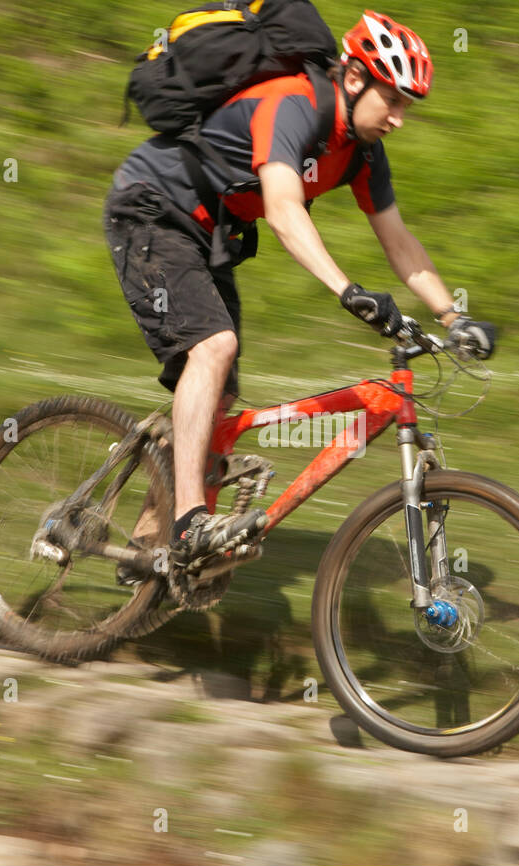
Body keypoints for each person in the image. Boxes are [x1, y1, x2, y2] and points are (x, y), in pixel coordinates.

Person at [103, 9, 495, 568]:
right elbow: (284, 212)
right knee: (213, 348)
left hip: (209, 232)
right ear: (355, 80)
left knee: (222, 392)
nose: (400, 119)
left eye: (409, 105)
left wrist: (453, 318)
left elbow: (399, 240)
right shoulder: (294, 105)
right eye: (395, 99)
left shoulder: (362, 152)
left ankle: (145, 555)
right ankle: (189, 523)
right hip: (152, 209)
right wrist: (346, 289)